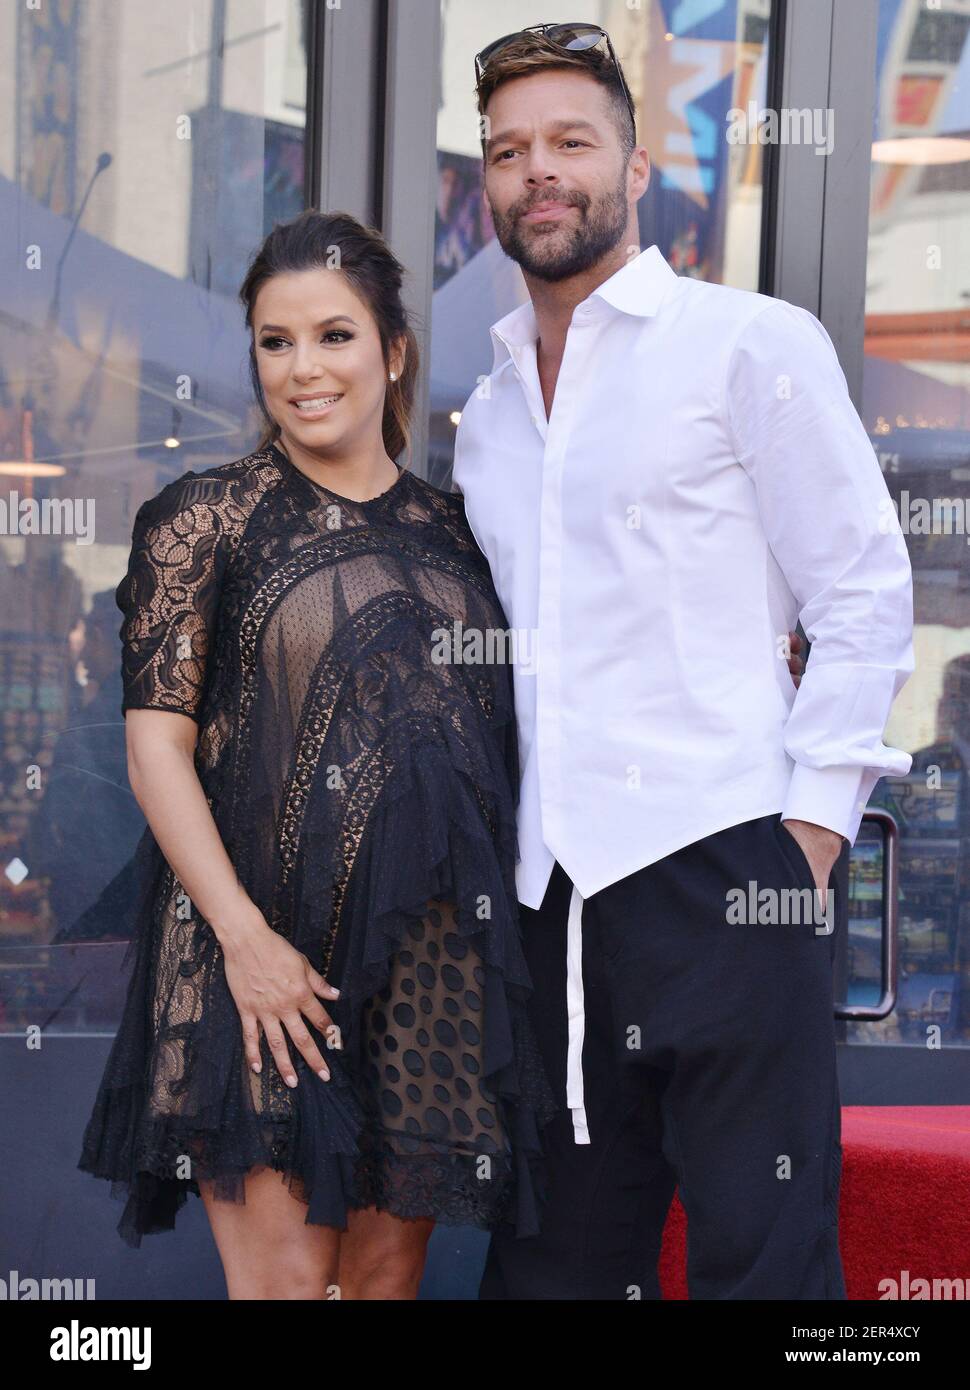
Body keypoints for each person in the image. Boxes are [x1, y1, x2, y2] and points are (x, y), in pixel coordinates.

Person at [454, 24, 915, 1300]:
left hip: (727, 873)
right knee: (551, 1273)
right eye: (507, 151)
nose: (537, 171)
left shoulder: (747, 343)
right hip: (553, 905)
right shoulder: (487, 415)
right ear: (487, 182)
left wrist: (807, 838)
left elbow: (866, 591)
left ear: (636, 163)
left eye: (568, 142)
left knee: (764, 1273)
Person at [77, 209, 556, 1300]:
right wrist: (242, 942)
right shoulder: (204, 519)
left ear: (391, 353)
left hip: (428, 967)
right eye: (274, 341)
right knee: (291, 1286)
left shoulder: (461, 529)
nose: (303, 369)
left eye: (334, 336)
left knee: (385, 1282)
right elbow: (156, 749)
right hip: (258, 966)